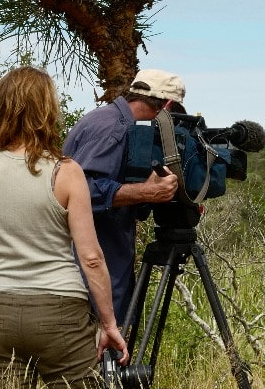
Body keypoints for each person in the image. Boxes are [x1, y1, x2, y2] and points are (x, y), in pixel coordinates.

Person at [0, 66, 129, 389]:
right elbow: (90, 258)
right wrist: (108, 323)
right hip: (59, 310)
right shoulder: (66, 172)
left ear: (0, 108)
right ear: (48, 111)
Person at [62, 68, 183, 324]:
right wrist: (145, 191)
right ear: (167, 105)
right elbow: (81, 191)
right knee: (95, 343)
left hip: (99, 261)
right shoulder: (112, 128)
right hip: (91, 272)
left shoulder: (107, 120)